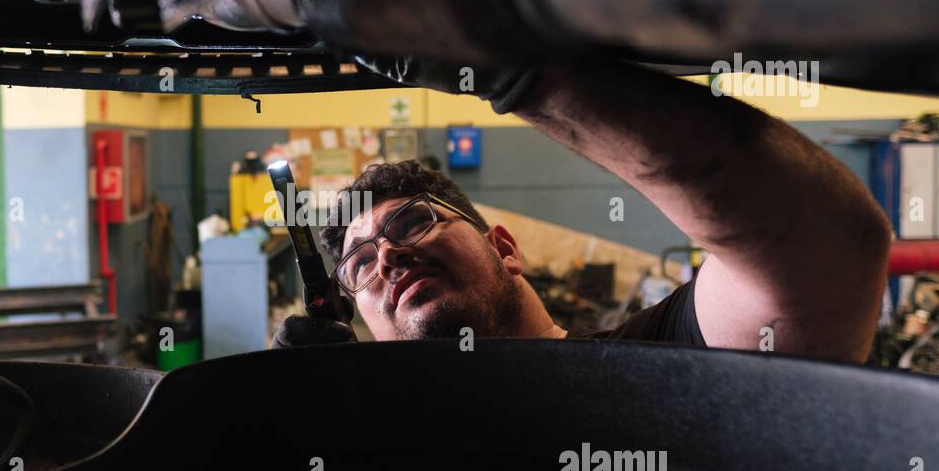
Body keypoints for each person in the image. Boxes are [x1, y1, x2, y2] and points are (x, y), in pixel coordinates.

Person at [273, 56, 891, 362]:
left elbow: (830, 244)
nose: (386, 254)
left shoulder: (657, 362)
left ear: (504, 248)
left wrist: (517, 71)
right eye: (357, 265)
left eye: (410, 221)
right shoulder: (387, 453)